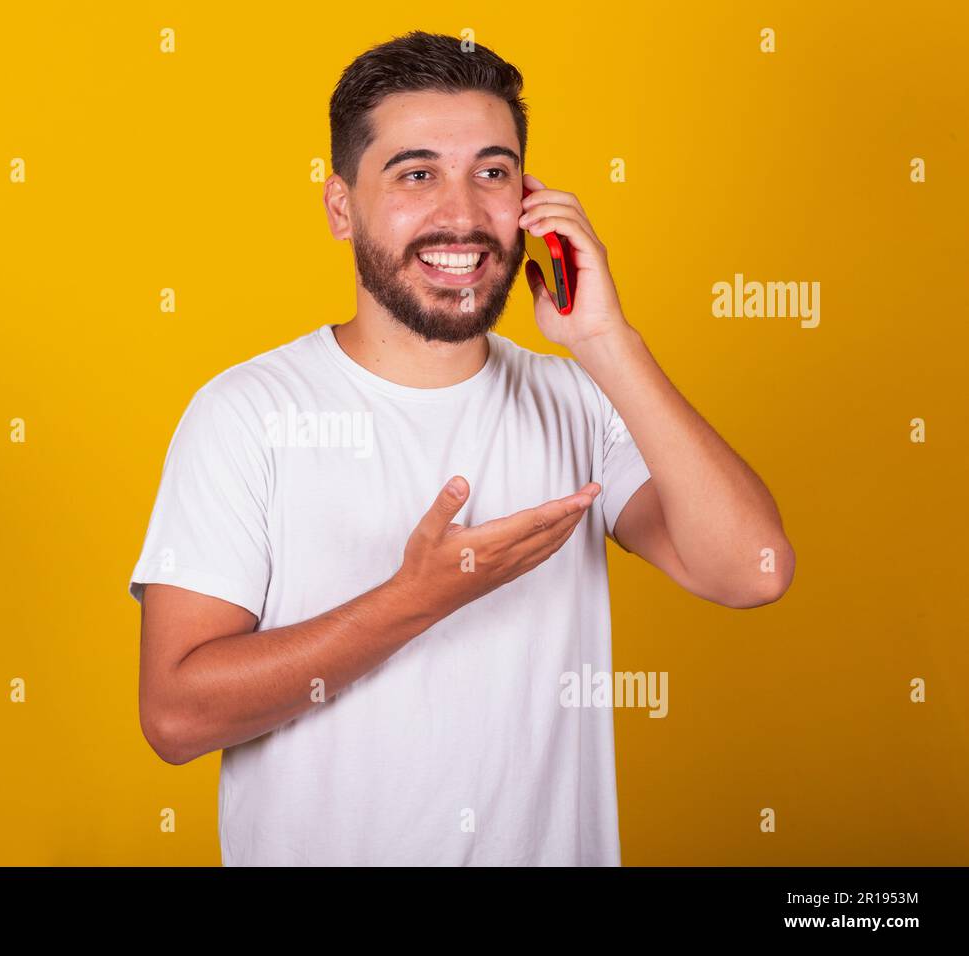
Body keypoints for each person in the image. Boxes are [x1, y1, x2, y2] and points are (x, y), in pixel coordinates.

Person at [127, 30, 794, 866]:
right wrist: (420, 596)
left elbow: (755, 571)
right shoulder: (246, 414)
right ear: (341, 207)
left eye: (492, 171)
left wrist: (605, 339)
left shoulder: (581, 399)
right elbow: (177, 717)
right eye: (416, 174)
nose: (462, 214)